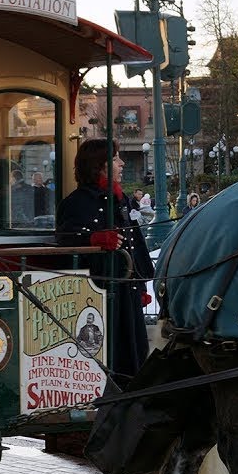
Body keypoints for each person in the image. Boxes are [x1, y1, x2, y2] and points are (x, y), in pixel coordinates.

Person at [56, 139, 154, 381]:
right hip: (99, 291)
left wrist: (140, 283)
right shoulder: (76, 202)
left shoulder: (121, 199)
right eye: (115, 159)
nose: (121, 164)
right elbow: (66, 240)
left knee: (134, 353)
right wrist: (93, 239)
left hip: (125, 289)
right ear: (99, 166)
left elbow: (134, 242)